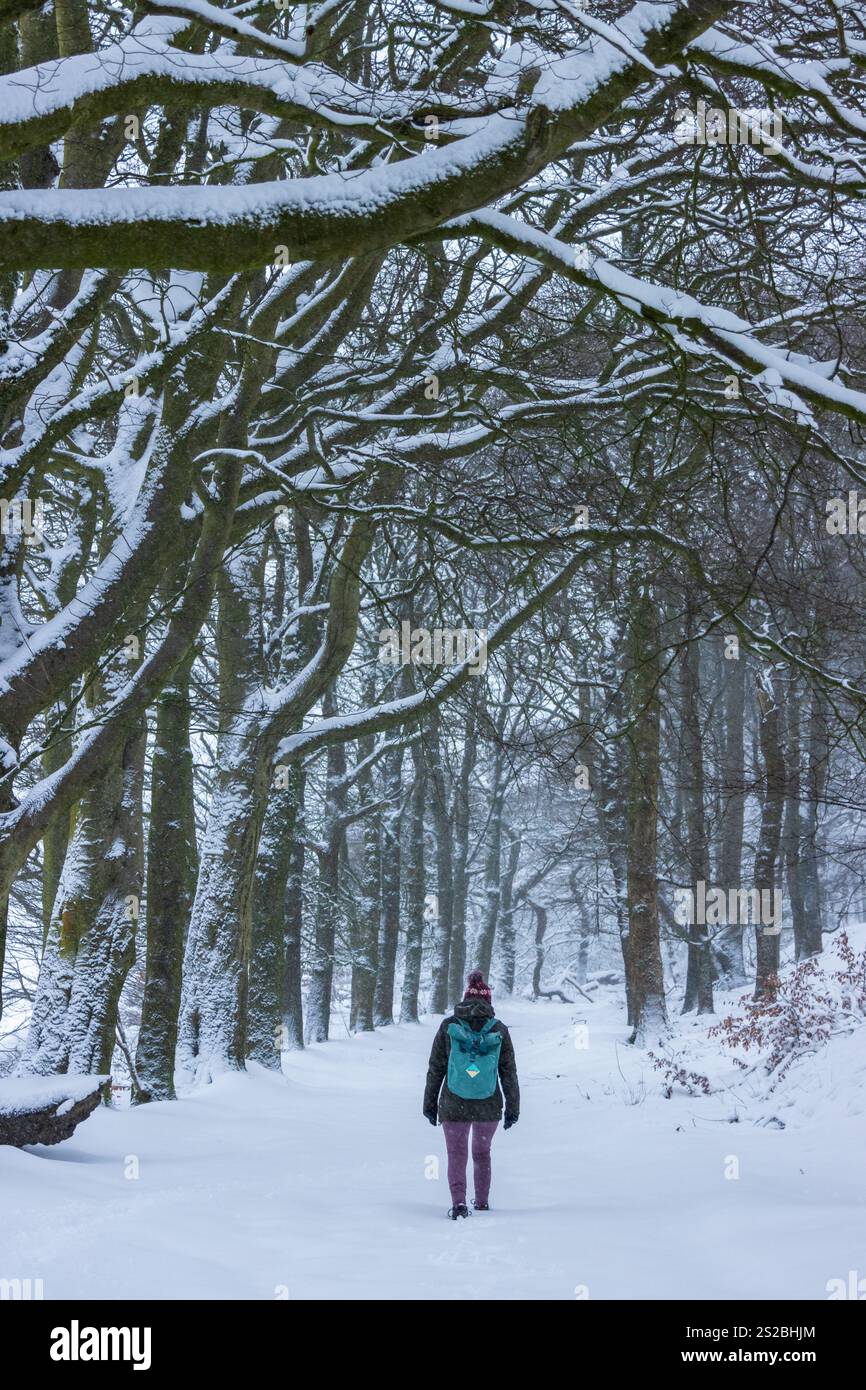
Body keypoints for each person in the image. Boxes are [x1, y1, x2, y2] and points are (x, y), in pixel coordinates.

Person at [422, 969, 520, 1219]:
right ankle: (483, 1202)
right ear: (489, 1001)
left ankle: (459, 1205)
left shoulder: (449, 1026)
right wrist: (512, 1108)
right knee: (481, 1152)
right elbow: (508, 1072)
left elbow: (436, 1067)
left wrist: (430, 1103)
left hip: (454, 1102)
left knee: (457, 1154)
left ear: (465, 998)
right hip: (488, 1103)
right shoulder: (498, 1029)